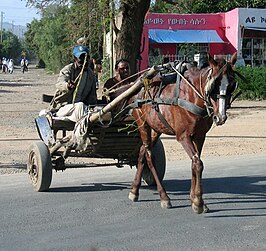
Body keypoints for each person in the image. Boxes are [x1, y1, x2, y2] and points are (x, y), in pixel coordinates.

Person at [48, 45, 97, 123]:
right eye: (81, 58)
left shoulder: (91, 75)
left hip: (81, 110)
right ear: (75, 59)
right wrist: (67, 86)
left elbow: (92, 96)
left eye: (86, 58)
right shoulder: (68, 69)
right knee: (80, 106)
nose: (84, 61)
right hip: (63, 108)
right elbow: (60, 83)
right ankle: (80, 131)